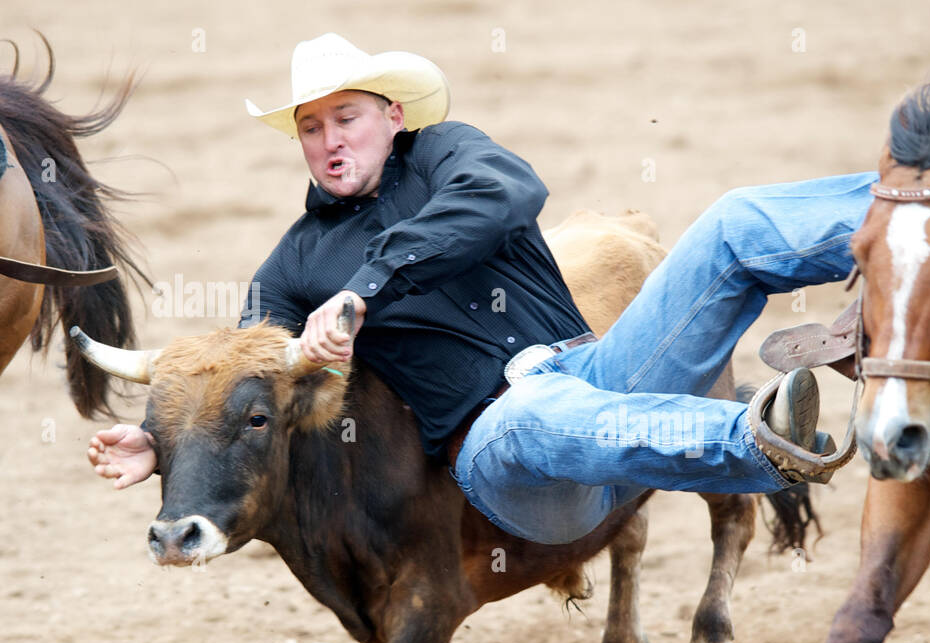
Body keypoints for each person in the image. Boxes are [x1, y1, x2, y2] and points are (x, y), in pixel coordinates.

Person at [88, 33, 877, 545]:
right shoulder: (291, 269)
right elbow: (241, 388)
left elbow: (506, 193)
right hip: (507, 457)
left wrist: (365, 290)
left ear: (393, 115)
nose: (330, 142)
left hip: (601, 373)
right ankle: (762, 438)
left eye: (347, 118)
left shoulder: (448, 156)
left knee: (732, 220)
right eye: (311, 127)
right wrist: (164, 445)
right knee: (537, 407)